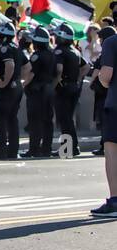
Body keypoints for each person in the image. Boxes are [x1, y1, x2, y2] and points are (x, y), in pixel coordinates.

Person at [90, 26, 117, 216]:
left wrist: (102, 79)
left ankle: (115, 200)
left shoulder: (112, 42)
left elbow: (106, 75)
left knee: (112, 150)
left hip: (115, 104)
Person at [0, 20, 25, 159]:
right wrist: (19, 80)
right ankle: (13, 150)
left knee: (2, 121)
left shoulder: (5, 48)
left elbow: (9, 65)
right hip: (16, 86)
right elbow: (27, 67)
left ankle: (0, 151)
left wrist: (5, 82)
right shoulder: (16, 47)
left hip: (8, 89)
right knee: (12, 120)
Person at [21, 25, 57, 158]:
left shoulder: (37, 56)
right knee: (47, 120)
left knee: (35, 121)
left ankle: (34, 149)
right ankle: (46, 148)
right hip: (48, 89)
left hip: (37, 91)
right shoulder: (52, 54)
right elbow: (57, 73)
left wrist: (24, 85)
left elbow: (31, 73)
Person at [53, 24, 84, 158]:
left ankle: (68, 149)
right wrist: (77, 80)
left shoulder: (60, 51)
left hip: (63, 89)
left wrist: (54, 84)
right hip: (73, 87)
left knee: (64, 119)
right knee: (68, 119)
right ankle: (72, 147)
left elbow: (59, 70)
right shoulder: (75, 51)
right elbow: (86, 67)